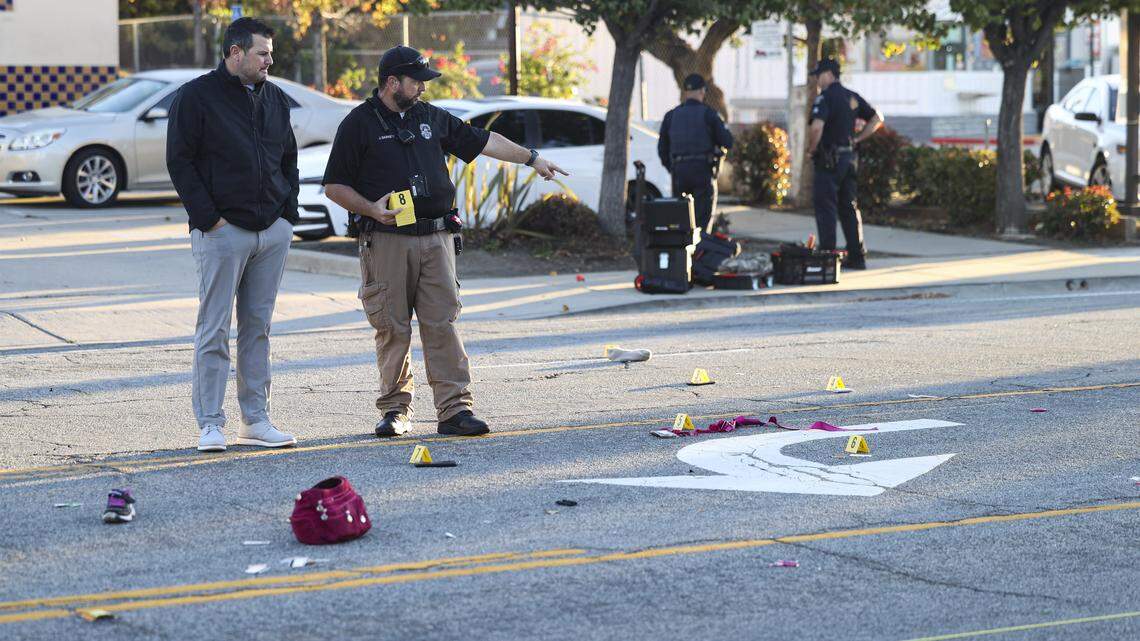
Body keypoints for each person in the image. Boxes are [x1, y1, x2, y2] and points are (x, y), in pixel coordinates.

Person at [322, 46, 567, 439]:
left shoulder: (430, 117)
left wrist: (531, 158)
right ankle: (395, 411)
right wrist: (370, 208)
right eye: (415, 80)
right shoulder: (359, 124)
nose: (421, 87)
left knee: (443, 324)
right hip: (386, 239)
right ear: (391, 82)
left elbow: (482, 141)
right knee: (392, 327)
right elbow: (334, 185)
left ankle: (455, 411)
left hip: (436, 237)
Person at [167, 17, 299, 452]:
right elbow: (180, 161)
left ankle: (255, 420)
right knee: (214, 329)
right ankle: (210, 424)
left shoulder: (276, 98)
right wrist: (209, 220)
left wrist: (287, 217)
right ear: (235, 52)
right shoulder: (197, 97)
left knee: (257, 328)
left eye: (270, 53)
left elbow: (288, 160)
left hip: (271, 232)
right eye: (262, 53)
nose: (269, 60)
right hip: (222, 232)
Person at [807, 58, 884, 270]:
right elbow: (877, 117)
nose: (818, 80)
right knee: (849, 207)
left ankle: (828, 258)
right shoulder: (852, 96)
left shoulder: (825, 98)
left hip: (828, 160)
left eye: (819, 75)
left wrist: (812, 150)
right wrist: (858, 138)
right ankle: (857, 256)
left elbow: (816, 128)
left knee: (826, 208)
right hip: (849, 159)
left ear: (829, 74)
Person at [657, 73, 734, 233]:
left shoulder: (671, 116)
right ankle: (699, 253)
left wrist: (673, 168)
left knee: (681, 219)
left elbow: (662, 149)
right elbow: (727, 142)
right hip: (702, 172)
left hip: (679, 173)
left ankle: (683, 254)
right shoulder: (709, 114)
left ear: (685, 92)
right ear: (702, 91)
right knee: (702, 220)